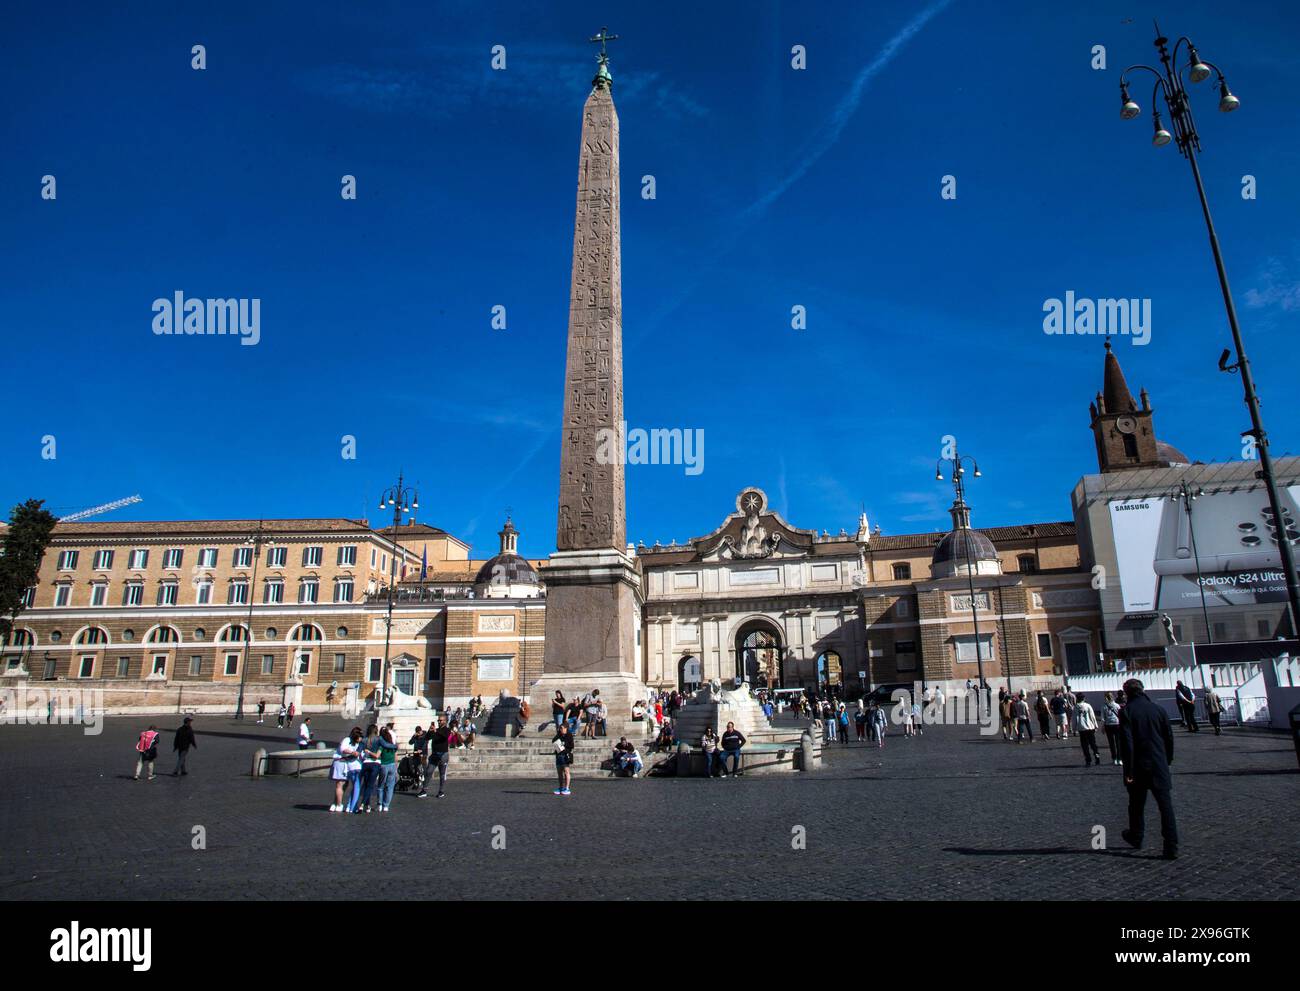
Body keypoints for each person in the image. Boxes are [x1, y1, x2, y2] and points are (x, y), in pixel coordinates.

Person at [1118, 678, 1178, 859]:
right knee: (1165, 807)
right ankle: (1171, 846)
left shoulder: (1127, 711)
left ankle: (1136, 836)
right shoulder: (1158, 710)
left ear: (1126, 692)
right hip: (1159, 764)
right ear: (1142, 690)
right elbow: (1169, 738)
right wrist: (1167, 760)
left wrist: (1128, 771)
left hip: (1138, 767)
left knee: (1136, 805)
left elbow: (1127, 745)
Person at [330, 727, 363, 812]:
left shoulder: (355, 743)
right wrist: (352, 752)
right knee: (340, 785)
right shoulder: (347, 740)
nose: (361, 738)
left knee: (343, 784)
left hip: (345, 763)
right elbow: (342, 750)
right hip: (341, 762)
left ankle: (334, 803)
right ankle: (339, 805)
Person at [359, 723, 382, 813]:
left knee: (366, 784)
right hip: (375, 764)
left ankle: (367, 805)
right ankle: (362, 804)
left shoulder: (364, 740)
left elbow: (360, 752)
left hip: (365, 763)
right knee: (370, 786)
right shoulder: (379, 740)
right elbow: (377, 755)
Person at [428, 715, 451, 798]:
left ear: (445, 721)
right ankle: (424, 789)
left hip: (443, 754)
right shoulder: (436, 730)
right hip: (434, 754)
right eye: (438, 720)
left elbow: (445, 737)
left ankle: (441, 791)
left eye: (441, 720)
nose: (439, 722)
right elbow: (427, 738)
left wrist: (436, 731)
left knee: (442, 774)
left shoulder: (447, 730)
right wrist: (429, 731)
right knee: (428, 771)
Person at [376, 726, 399, 811]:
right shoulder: (393, 746)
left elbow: (377, 755)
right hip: (392, 765)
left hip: (383, 766)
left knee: (381, 785)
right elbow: (396, 758)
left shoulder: (382, 746)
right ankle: (386, 805)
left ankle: (380, 804)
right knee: (390, 786)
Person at [1075, 693, 1101, 766]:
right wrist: (1095, 725)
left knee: (1084, 745)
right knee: (1093, 743)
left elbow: (1074, 719)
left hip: (1081, 728)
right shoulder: (1088, 706)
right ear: (1083, 698)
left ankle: (1088, 759)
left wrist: (1074, 728)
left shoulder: (1076, 707)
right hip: (1090, 727)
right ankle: (1096, 755)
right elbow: (1092, 716)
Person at [553, 722, 574, 796]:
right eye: (560, 728)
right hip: (559, 755)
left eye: (562, 728)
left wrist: (563, 745)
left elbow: (571, 746)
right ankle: (561, 787)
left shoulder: (569, 735)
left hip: (565, 755)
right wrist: (559, 736)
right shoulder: (559, 734)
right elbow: (553, 740)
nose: (561, 729)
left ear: (566, 728)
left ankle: (567, 788)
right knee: (559, 772)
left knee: (566, 771)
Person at [1101, 692, 1122, 764]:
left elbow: (1103, 718)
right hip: (1117, 724)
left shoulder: (1104, 706)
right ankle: (1120, 759)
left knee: (1111, 743)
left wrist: (1103, 727)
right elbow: (1120, 715)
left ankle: (1114, 758)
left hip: (1108, 725)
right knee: (1118, 742)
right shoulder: (1117, 705)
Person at [409, 726, 430, 797]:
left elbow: (425, 743)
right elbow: (410, 743)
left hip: (423, 754)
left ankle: (425, 784)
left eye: (419, 732)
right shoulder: (415, 736)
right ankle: (416, 782)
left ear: (421, 730)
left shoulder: (425, 735)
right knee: (415, 768)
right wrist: (413, 737)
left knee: (424, 768)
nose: (418, 733)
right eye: (417, 732)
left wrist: (421, 750)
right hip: (416, 754)